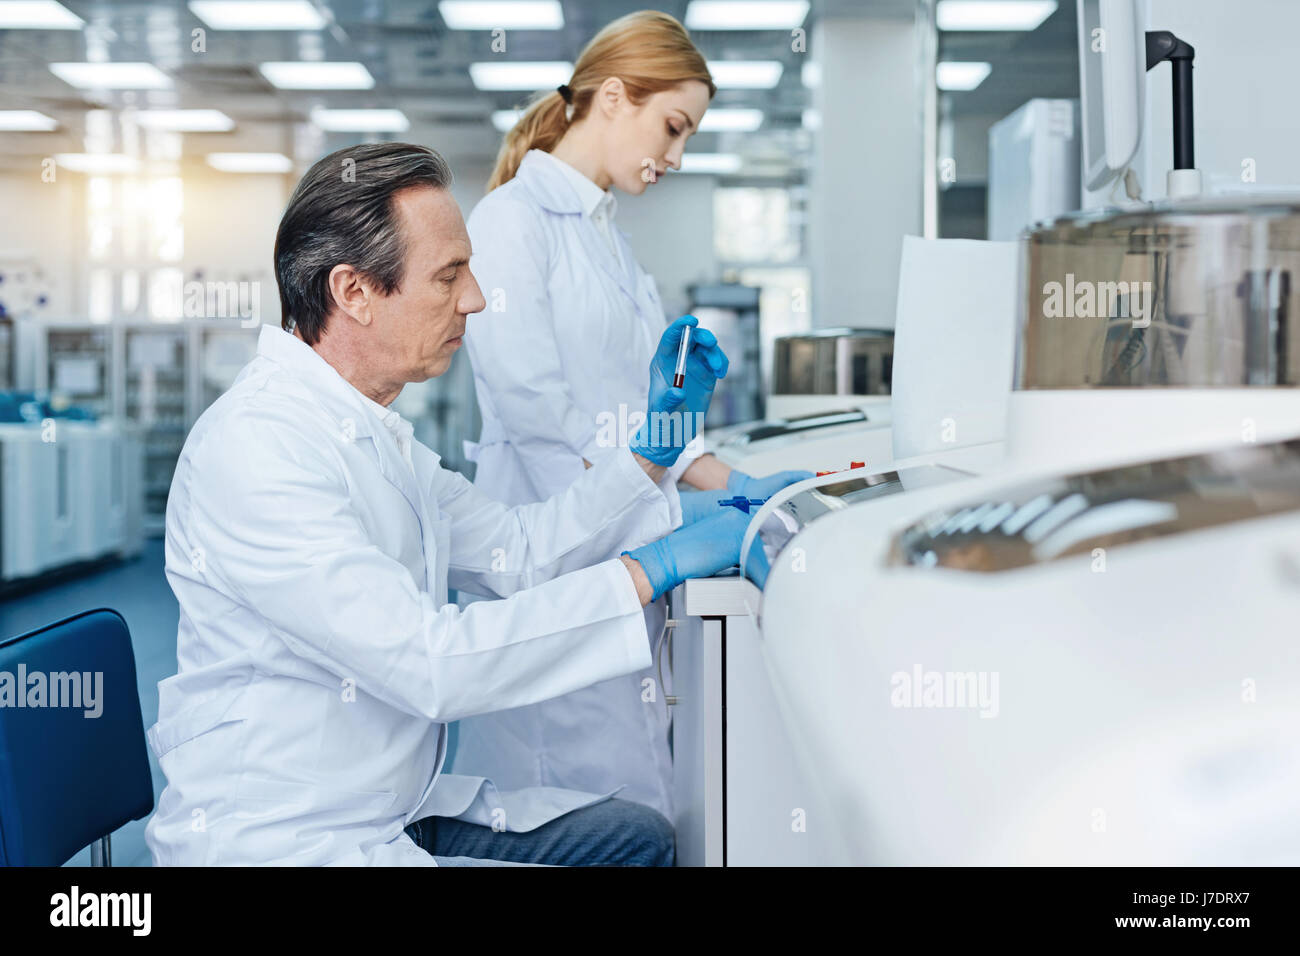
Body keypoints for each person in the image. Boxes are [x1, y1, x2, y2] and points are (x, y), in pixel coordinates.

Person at [143, 141, 751, 866]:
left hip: (386, 806)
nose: (477, 299)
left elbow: (519, 549)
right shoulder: (259, 450)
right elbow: (432, 664)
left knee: (637, 837)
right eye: (448, 276)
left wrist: (653, 450)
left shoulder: (371, 432)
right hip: (291, 836)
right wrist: (649, 569)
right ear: (354, 292)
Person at [452, 9, 810, 816]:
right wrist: (668, 518)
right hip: (553, 550)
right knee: (572, 800)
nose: (676, 157)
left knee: (639, 793)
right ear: (613, 96)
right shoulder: (510, 223)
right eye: (673, 128)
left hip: (623, 549)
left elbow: (658, 432)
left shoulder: (613, 246)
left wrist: (757, 490)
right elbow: (542, 418)